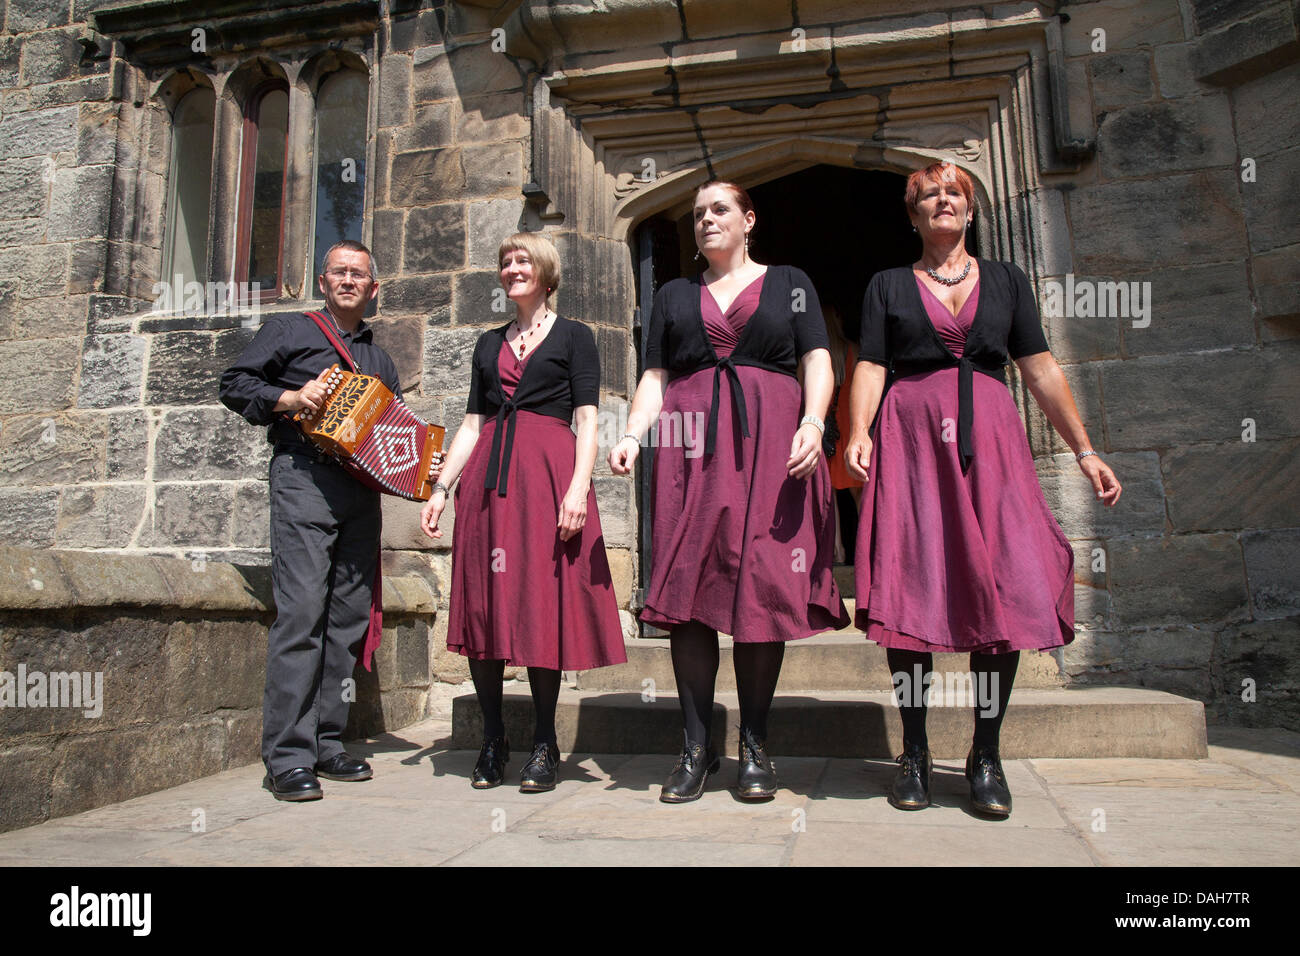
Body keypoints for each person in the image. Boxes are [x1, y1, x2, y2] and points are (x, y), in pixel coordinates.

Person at [844, 162, 1122, 817]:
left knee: (997, 591)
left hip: (991, 444)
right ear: (913, 215)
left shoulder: (1005, 280)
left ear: (970, 211)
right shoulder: (888, 285)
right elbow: (870, 364)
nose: (943, 201)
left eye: (955, 194)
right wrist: (857, 430)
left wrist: (1084, 449)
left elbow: (1040, 367)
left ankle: (985, 756)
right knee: (913, 589)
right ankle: (912, 751)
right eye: (929, 195)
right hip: (912, 444)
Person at [610, 181, 849, 804]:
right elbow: (655, 376)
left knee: (761, 587)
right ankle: (695, 746)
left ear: (749, 220)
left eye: (719, 210)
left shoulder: (791, 280)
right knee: (689, 588)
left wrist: (815, 422)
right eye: (696, 215)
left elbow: (816, 359)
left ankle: (756, 745)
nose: (706, 220)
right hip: (690, 449)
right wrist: (633, 435)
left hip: (772, 443)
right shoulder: (671, 295)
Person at [421, 231, 625, 793]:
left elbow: (587, 419)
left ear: (545, 272)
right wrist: (440, 488)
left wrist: (579, 489)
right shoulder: (487, 344)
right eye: (506, 262)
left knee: (539, 606)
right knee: (486, 607)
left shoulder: (576, 337)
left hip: (548, 478)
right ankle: (492, 739)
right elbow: (471, 425)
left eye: (523, 261)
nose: (513, 268)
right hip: (488, 483)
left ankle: (543, 741)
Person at [219, 239, 399, 801]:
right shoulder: (290, 332)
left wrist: (422, 465)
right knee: (301, 614)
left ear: (373, 289)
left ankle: (326, 741)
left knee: (346, 621)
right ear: (323, 282)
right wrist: (292, 397)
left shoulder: (380, 359)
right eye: (339, 272)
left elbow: (389, 434)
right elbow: (234, 384)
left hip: (359, 493)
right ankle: (288, 758)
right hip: (303, 480)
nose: (348, 281)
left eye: (359, 275)